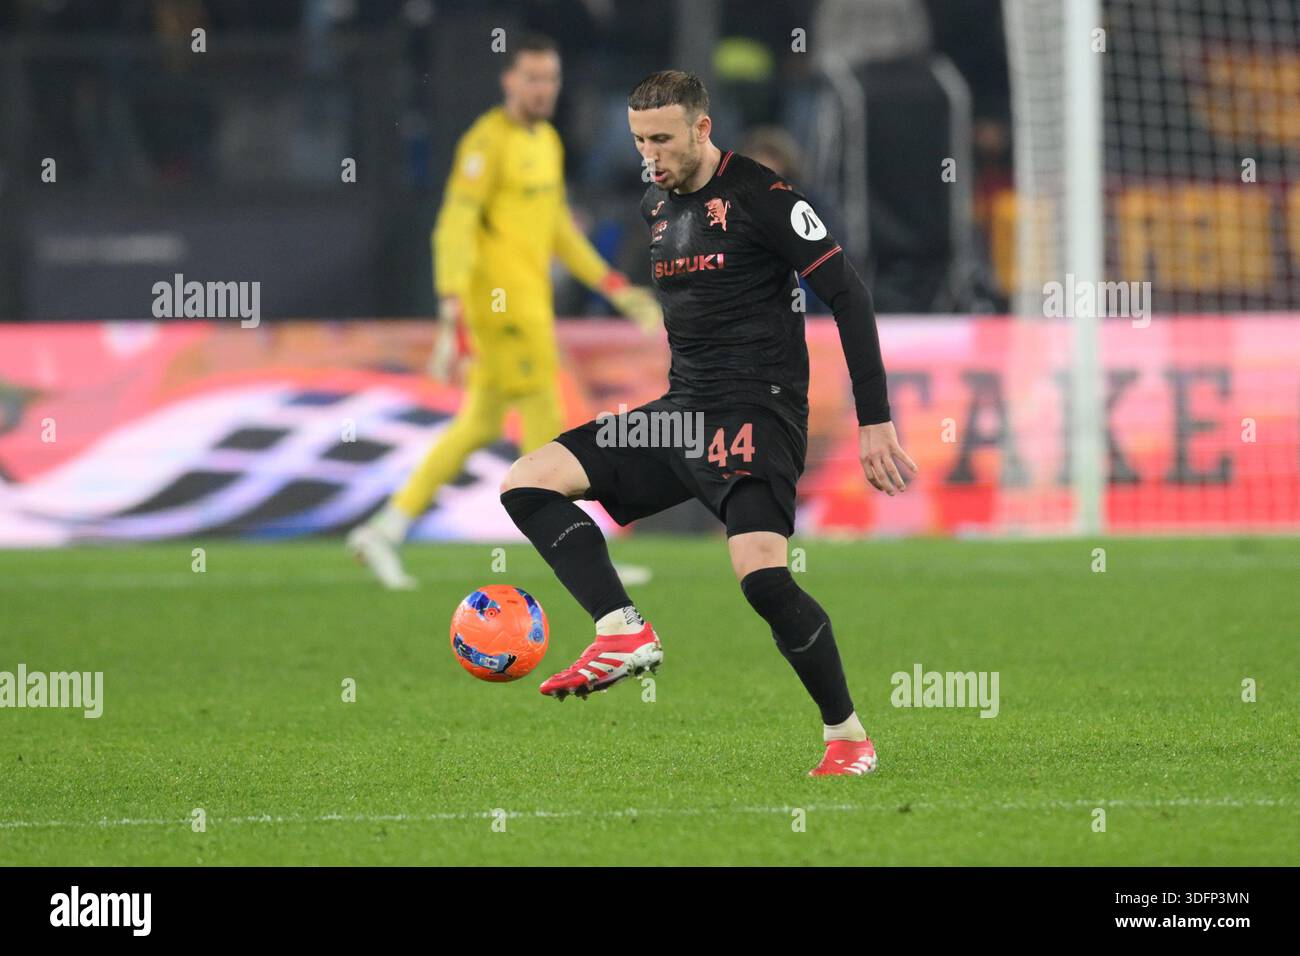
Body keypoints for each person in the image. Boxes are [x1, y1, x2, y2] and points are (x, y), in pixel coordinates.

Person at [498, 70, 917, 777]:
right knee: (528, 482)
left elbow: (849, 295)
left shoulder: (765, 196)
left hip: (757, 416)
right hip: (681, 416)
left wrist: (875, 420)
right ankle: (621, 630)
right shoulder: (654, 206)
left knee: (761, 578)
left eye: (662, 138)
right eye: (638, 141)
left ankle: (847, 737)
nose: (649, 154)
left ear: (701, 127)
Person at [349, 33, 660, 588]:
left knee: (479, 424)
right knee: (549, 432)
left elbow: (559, 231)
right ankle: (582, 555)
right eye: (533, 77)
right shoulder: (485, 143)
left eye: (551, 78)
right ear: (509, 81)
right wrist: (450, 308)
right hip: (504, 313)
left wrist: (615, 286)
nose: (543, 89)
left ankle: (383, 529)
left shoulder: (547, 143)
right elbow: (455, 224)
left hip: (529, 309)